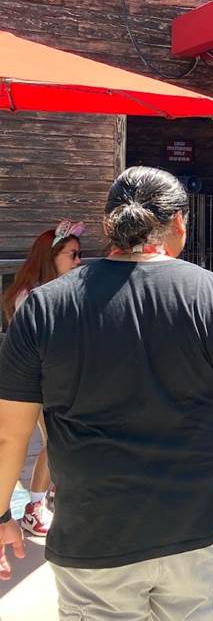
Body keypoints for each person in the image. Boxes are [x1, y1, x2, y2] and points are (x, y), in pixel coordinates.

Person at [0, 166, 213, 621]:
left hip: (95, 535)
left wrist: (2, 516)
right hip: (196, 528)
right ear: (178, 223)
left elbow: (10, 433)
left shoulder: (43, 309)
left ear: (110, 226)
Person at [1, 222, 84, 538]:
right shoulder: (32, 297)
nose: (78, 262)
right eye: (72, 255)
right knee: (51, 443)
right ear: (51, 257)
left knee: (56, 442)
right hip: (34, 384)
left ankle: (46, 500)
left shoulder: (54, 293)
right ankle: (34, 508)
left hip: (53, 381)